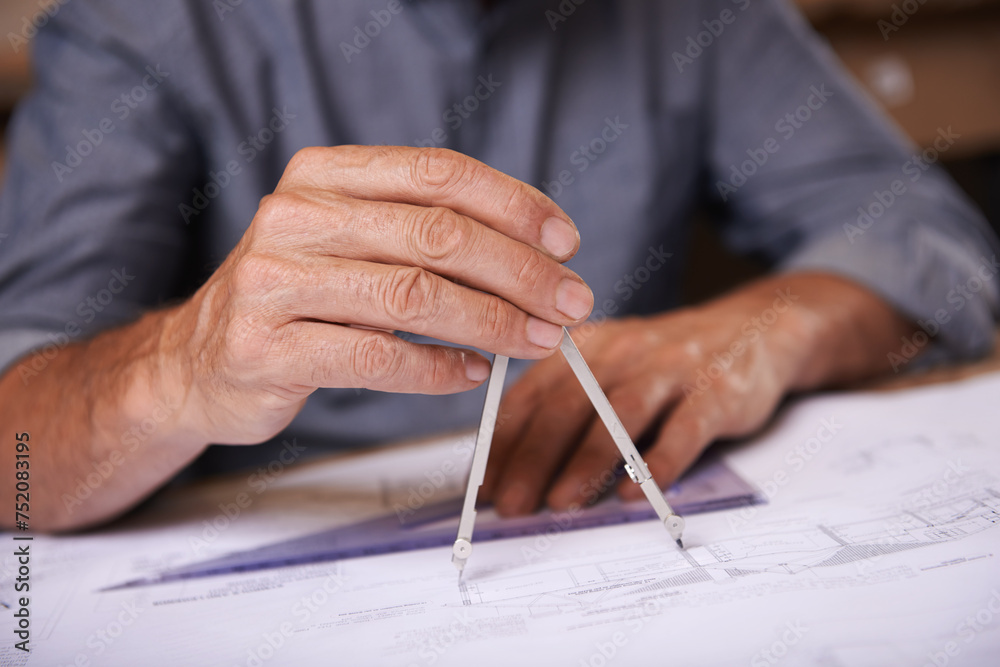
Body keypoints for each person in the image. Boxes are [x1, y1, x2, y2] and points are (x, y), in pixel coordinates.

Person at [0, 0, 997, 532]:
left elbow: (932, 238)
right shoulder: (138, 23)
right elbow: (14, 450)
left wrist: (769, 327)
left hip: (604, 531)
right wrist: (175, 371)